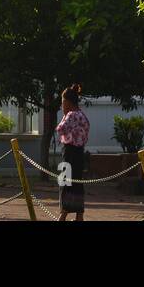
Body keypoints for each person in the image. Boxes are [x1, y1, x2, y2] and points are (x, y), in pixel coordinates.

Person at [55, 82, 90, 221]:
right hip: (79, 152)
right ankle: (79, 215)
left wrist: (64, 116)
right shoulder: (82, 115)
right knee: (77, 183)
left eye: (63, 102)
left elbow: (60, 129)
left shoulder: (71, 115)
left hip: (69, 152)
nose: (62, 106)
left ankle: (63, 215)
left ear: (68, 102)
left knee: (65, 183)